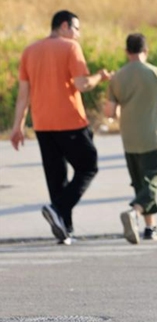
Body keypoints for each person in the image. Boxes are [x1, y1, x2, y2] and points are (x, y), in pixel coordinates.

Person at [10, 10, 112, 245]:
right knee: (88, 166)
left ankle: (65, 229)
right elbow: (83, 84)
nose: (78, 34)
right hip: (70, 122)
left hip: (43, 124)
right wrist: (101, 76)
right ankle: (57, 209)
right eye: (76, 28)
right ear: (64, 26)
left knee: (57, 178)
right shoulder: (70, 47)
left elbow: (23, 95)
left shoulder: (30, 51)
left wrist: (17, 126)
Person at [104, 33, 157, 244]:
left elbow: (110, 112)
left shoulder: (117, 77)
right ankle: (134, 212)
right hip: (153, 139)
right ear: (146, 50)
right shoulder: (155, 73)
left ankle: (150, 228)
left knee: (140, 185)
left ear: (127, 51)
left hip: (130, 141)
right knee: (152, 185)